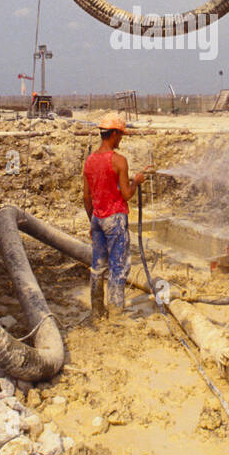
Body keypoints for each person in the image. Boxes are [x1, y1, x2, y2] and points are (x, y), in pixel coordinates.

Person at [83, 112, 147, 315]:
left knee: (98, 266)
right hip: (115, 219)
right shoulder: (119, 161)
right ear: (113, 134)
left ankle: (97, 309)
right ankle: (116, 314)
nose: (121, 139)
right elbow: (126, 194)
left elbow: (86, 196)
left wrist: (93, 221)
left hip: (97, 218)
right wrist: (136, 181)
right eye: (120, 135)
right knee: (118, 267)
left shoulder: (90, 160)